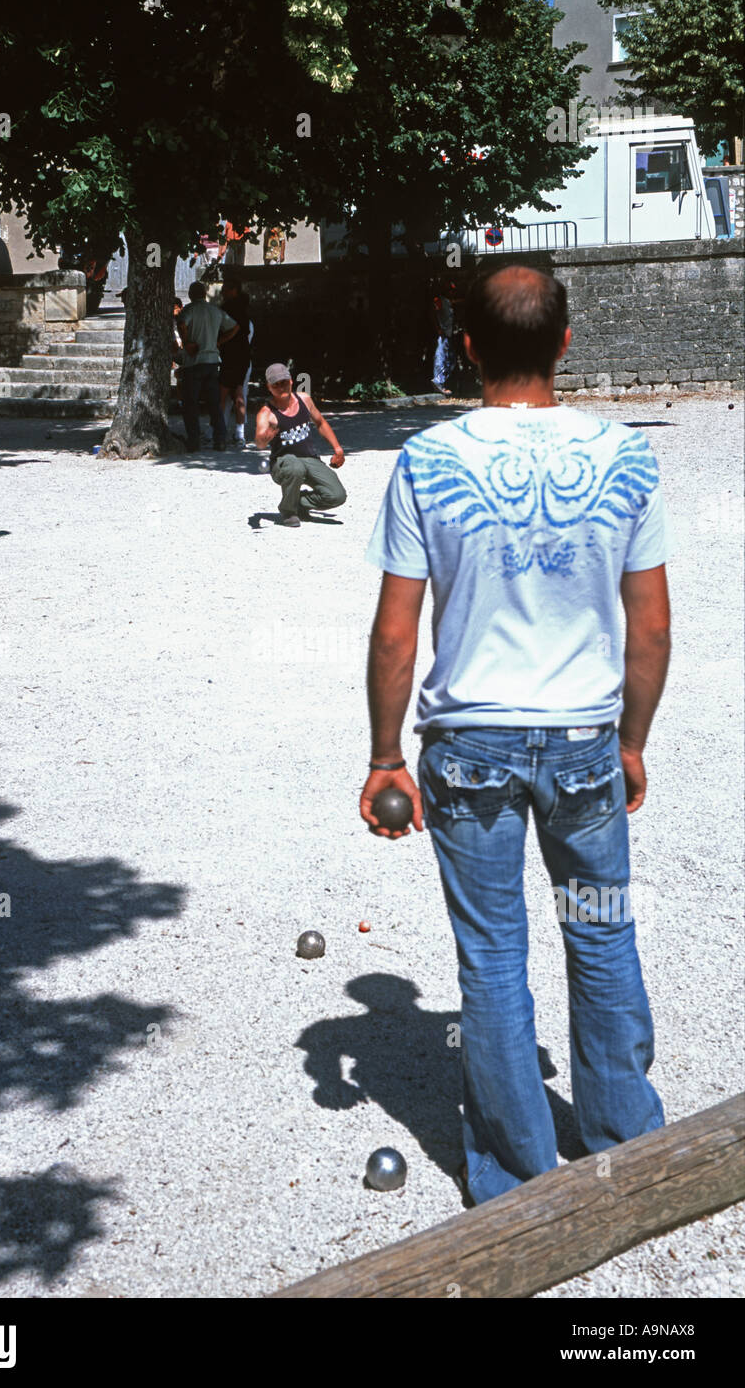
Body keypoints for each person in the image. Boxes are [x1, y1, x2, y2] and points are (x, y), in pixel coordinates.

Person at [361, 265, 671, 1206]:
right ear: (566, 345)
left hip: (472, 746)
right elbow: (650, 625)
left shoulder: (427, 460)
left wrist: (383, 758)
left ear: (469, 347)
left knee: (493, 954)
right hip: (583, 736)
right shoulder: (627, 458)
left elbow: (394, 631)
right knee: (600, 930)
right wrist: (632, 739)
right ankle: (628, 1139)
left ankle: (517, 1173)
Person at [255, 364, 347, 527]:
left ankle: (299, 503)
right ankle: (288, 511)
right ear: (269, 387)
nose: (280, 387)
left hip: (309, 458)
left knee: (337, 495)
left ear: (291, 381)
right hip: (283, 463)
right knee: (295, 467)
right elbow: (260, 443)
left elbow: (320, 422)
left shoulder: (304, 399)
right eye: (275, 384)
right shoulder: (266, 413)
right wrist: (268, 434)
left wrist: (337, 448)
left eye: (283, 382)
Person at [176, 280, 239, 451]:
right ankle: (220, 439)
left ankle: (194, 440)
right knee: (214, 403)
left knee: (191, 404)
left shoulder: (188, 310)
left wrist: (187, 342)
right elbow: (234, 327)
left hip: (194, 362)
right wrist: (219, 341)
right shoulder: (215, 311)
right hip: (212, 362)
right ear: (204, 294)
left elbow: (181, 323)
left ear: (190, 295)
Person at [218, 276, 251, 449]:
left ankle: (220, 432)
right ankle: (239, 433)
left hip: (231, 354)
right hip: (242, 355)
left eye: (225, 288)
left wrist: (219, 342)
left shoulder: (230, 308)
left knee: (223, 394)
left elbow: (234, 329)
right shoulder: (243, 308)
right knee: (238, 394)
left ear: (233, 290)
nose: (222, 291)